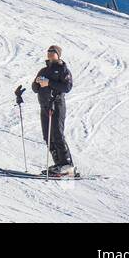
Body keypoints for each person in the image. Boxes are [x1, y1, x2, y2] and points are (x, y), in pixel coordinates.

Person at [31, 45, 74, 175]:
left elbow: (67, 87)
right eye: (48, 51)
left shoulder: (63, 70)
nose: (49, 54)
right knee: (47, 136)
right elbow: (34, 88)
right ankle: (58, 164)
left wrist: (49, 83)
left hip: (57, 105)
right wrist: (38, 83)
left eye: (53, 52)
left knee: (57, 133)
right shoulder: (43, 70)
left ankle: (67, 164)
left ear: (58, 54)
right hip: (45, 105)